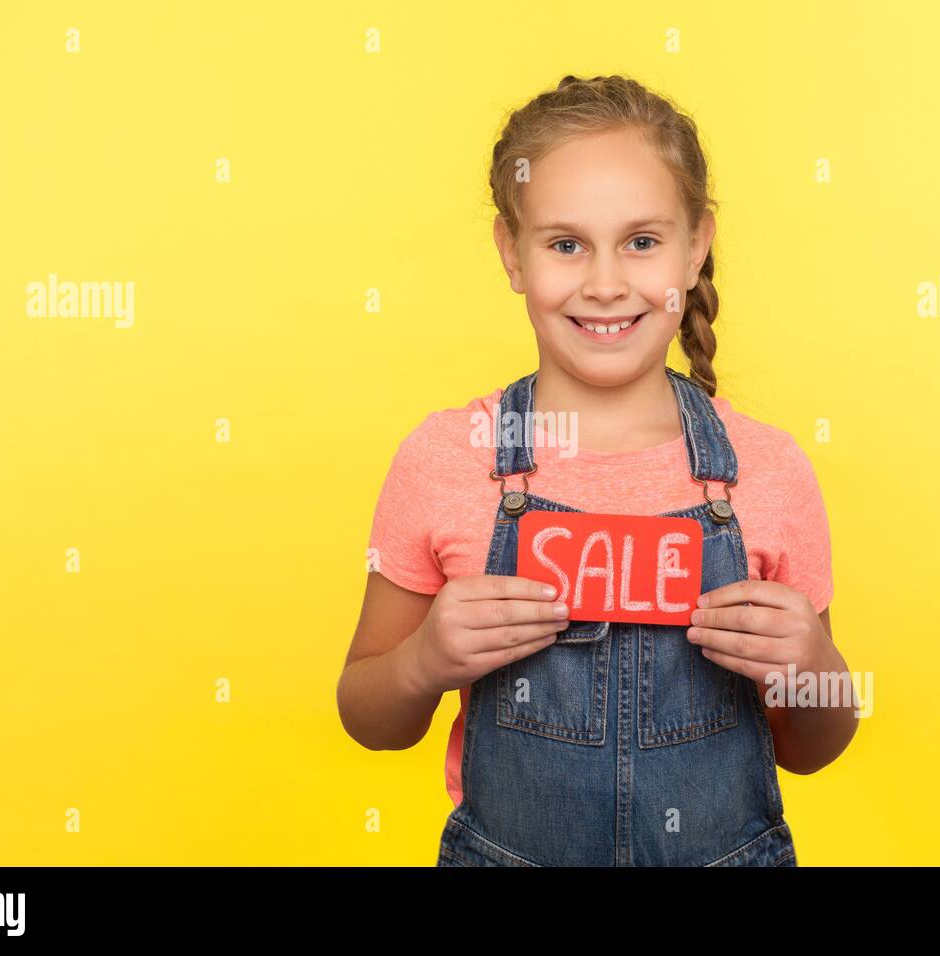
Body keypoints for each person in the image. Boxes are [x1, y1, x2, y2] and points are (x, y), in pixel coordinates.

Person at [338, 74, 854, 866]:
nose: (605, 282)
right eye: (565, 243)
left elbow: (814, 746)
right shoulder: (445, 458)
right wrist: (422, 662)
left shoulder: (770, 472)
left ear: (696, 245)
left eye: (642, 241)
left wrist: (816, 671)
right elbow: (368, 715)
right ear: (513, 253)